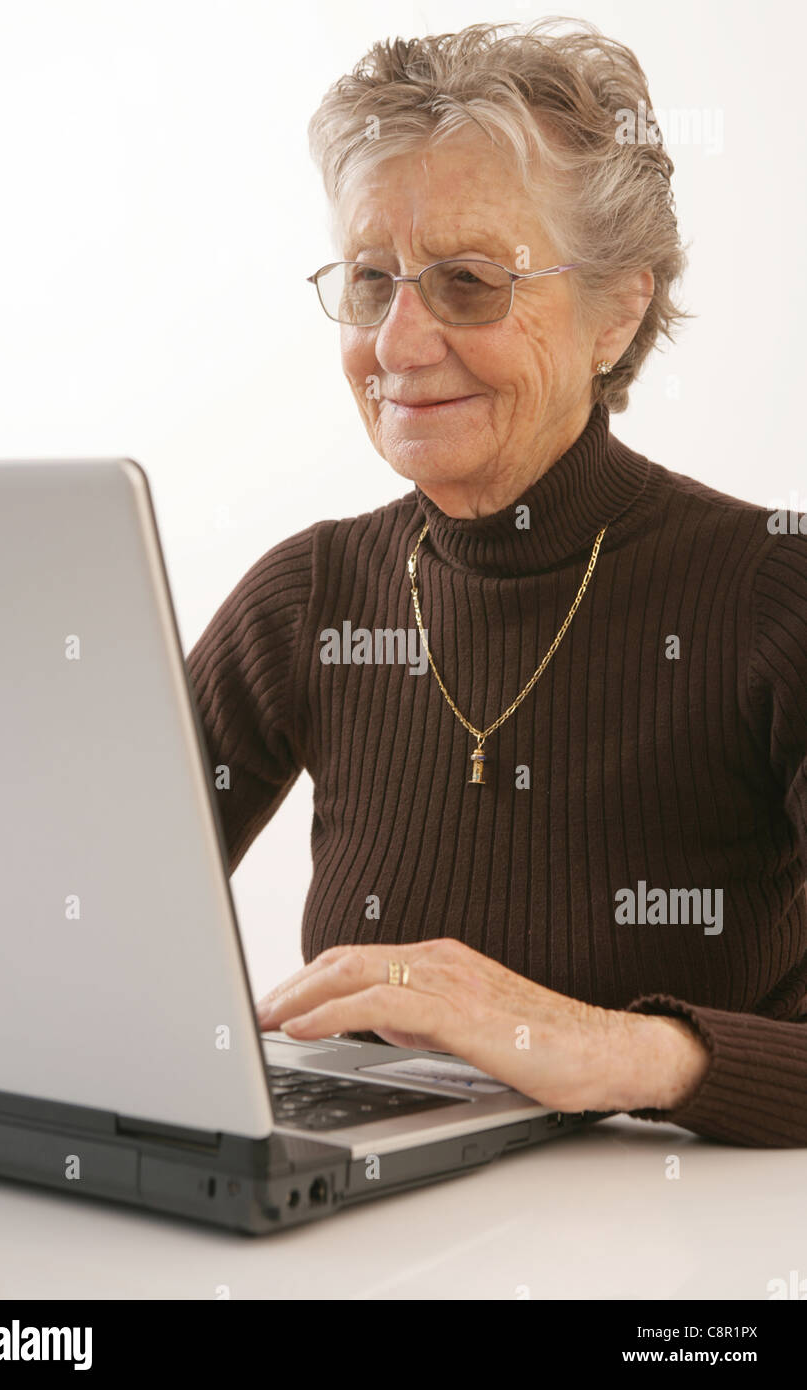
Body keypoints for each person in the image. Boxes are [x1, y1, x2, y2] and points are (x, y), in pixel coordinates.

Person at [187, 20, 807, 1145]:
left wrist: (611, 1049)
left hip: (678, 1231)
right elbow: (70, 927)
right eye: (370, 281)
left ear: (616, 310)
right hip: (363, 1212)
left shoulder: (774, 591)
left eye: (468, 283)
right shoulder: (307, 599)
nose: (397, 343)